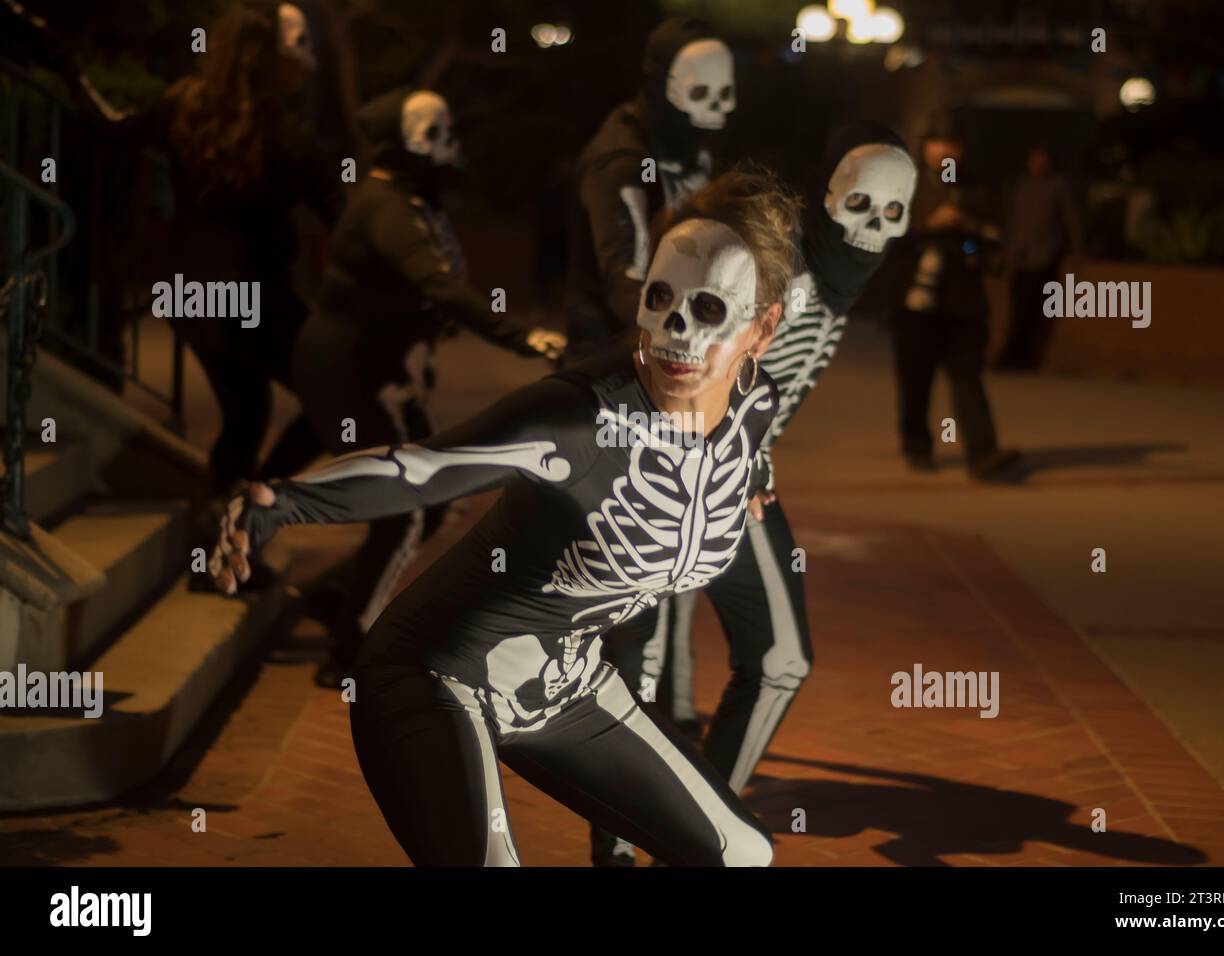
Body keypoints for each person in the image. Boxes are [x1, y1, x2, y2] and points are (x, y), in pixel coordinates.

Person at [210, 169, 800, 867]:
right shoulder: (578, 417)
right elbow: (424, 468)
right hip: (434, 677)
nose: (674, 330)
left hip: (569, 686)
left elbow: (743, 444)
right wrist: (286, 503)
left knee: (745, 856)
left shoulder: (754, 403)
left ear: (762, 330)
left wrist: (752, 478)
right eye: (659, 298)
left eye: (708, 310)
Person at [591, 123, 918, 866]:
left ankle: (698, 829)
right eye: (861, 204)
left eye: (891, 215)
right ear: (828, 198)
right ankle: (638, 843)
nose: (871, 229)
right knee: (640, 672)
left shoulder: (829, 279)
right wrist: (736, 457)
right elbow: (699, 363)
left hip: (736, 477)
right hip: (674, 471)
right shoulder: (785, 277)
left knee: (769, 661)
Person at [290, 87, 565, 687]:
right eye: (435, 135)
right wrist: (519, 339)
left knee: (435, 499)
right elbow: (438, 287)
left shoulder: (409, 201)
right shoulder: (386, 206)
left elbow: (426, 298)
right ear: (403, 142)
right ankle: (350, 650)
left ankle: (334, 598)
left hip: (385, 372)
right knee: (405, 509)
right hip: (351, 372)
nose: (452, 149)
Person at [158, 1, 342, 493]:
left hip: (188, 294)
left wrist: (59, 62)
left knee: (245, 417)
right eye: (298, 51)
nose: (309, 66)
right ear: (268, 59)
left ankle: (228, 529)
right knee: (335, 397)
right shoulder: (287, 136)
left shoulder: (181, 107)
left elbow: (111, 130)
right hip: (250, 294)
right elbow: (342, 215)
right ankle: (250, 515)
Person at [564, 16, 736, 360]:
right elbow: (625, 282)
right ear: (662, 85)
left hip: (672, 348)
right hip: (612, 362)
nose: (718, 109)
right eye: (700, 93)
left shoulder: (693, 150)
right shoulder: (621, 164)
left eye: (726, 94)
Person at [888, 117, 1019, 480]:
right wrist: (927, 225)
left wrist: (969, 228)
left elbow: (996, 239)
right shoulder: (905, 187)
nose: (946, 152)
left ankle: (983, 454)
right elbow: (883, 239)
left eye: (953, 145)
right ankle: (917, 445)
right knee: (916, 381)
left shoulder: (977, 189)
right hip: (915, 303)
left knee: (968, 378)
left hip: (963, 302)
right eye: (938, 143)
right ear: (925, 147)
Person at [997, 146, 1083, 370]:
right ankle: (1012, 356)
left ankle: (1021, 358)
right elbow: (1013, 220)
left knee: (1034, 311)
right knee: (1018, 308)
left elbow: (1069, 218)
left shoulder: (1058, 186)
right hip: (1020, 257)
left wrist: (1077, 248)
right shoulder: (1022, 185)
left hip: (1044, 257)